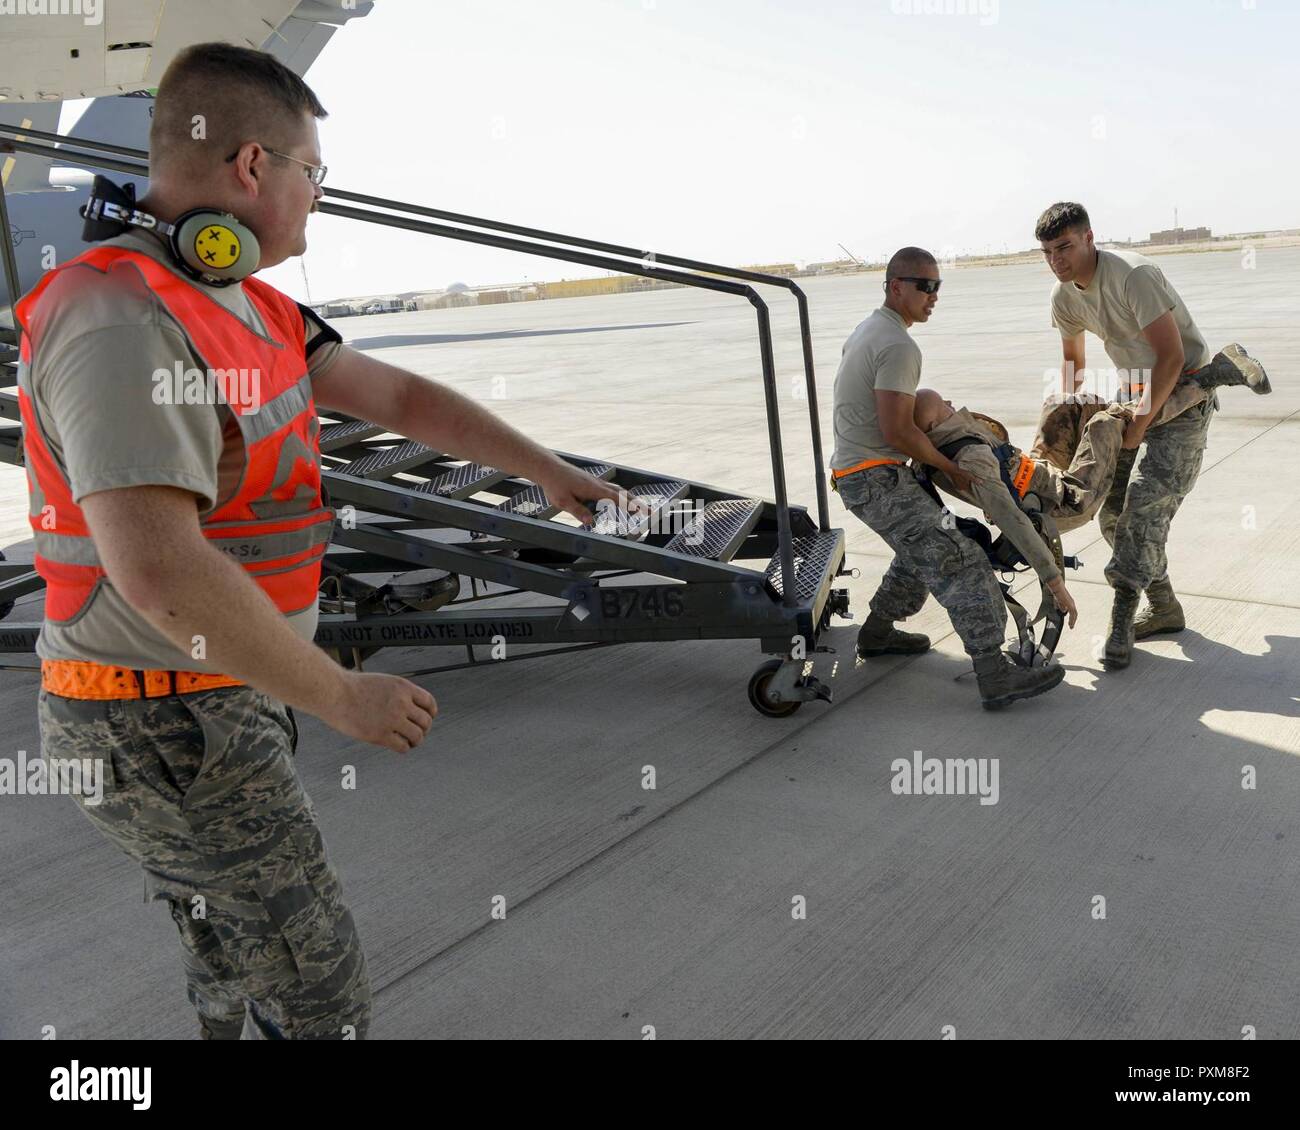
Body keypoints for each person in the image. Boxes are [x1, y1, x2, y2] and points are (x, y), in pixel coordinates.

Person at [19, 43, 630, 1039]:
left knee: (227, 944)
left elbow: (395, 395)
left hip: (206, 704)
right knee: (316, 986)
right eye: (313, 172)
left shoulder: (249, 306)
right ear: (252, 166)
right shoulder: (119, 316)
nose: (317, 197)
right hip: (157, 718)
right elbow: (157, 566)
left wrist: (544, 467)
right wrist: (341, 692)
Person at [1035, 201, 1269, 669]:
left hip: (1181, 395)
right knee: (1111, 514)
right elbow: (1073, 365)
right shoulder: (1065, 297)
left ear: (1088, 238)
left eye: (1064, 247)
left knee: (1144, 508)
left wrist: (1138, 425)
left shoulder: (1131, 277)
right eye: (1047, 252)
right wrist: (1068, 416)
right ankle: (1164, 607)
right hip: (1134, 395)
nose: (1056, 260)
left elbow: (1170, 356)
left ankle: (1121, 619)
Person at [829, 246, 1065, 709]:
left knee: (924, 549)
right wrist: (950, 465)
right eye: (925, 286)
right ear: (896, 286)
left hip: (860, 474)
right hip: (875, 478)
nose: (933, 296)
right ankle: (995, 675)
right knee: (961, 557)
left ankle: (877, 633)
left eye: (938, 286)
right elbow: (897, 430)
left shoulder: (870, 329)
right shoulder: (898, 345)